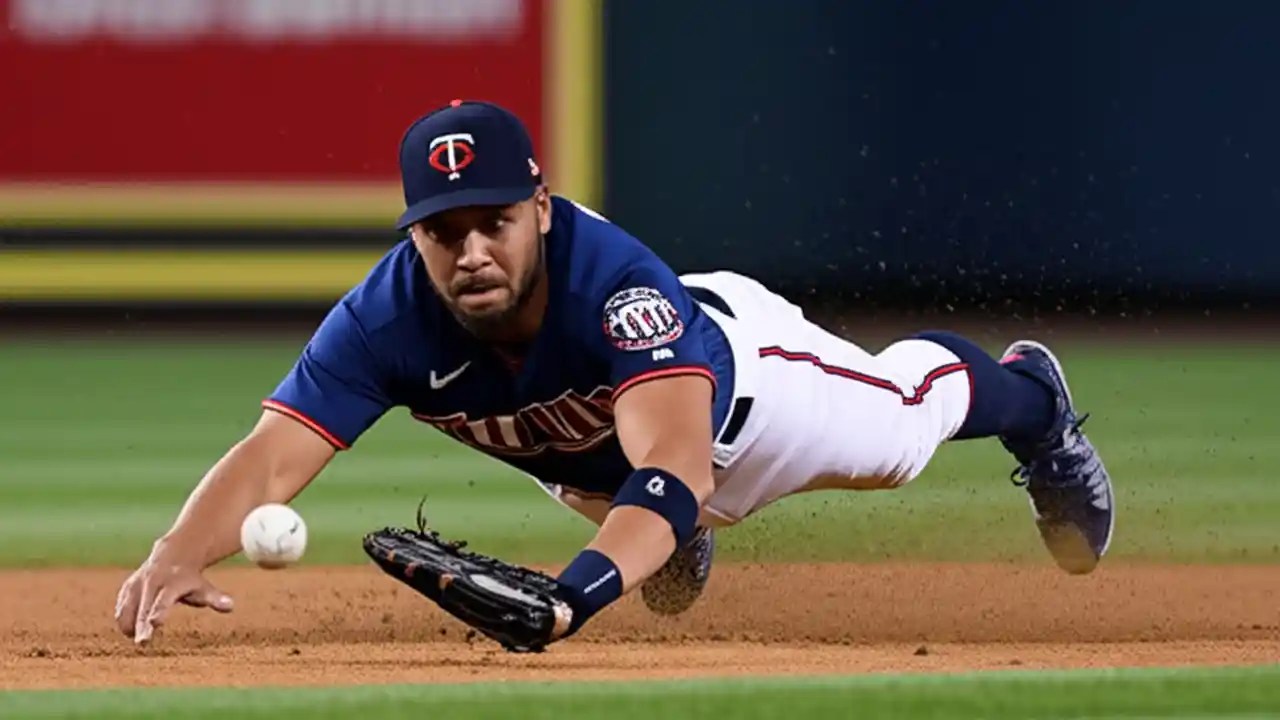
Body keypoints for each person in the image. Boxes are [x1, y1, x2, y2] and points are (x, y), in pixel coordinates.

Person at [114, 99, 1114, 646]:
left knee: (902, 432)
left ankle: (1033, 399)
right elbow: (271, 457)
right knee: (620, 492)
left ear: (539, 210)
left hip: (743, 403)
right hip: (597, 463)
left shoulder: (616, 289)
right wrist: (178, 550)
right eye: (441, 230)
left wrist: (575, 598)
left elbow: (680, 467)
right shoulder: (387, 318)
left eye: (492, 222)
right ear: (413, 234)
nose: (469, 251)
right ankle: (655, 546)